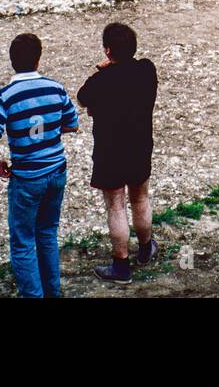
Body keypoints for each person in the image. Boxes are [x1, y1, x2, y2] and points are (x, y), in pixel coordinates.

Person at [0, 32, 79, 298]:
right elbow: (73, 123)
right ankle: (53, 292)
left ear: (12, 61)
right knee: (47, 234)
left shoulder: (5, 96)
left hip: (27, 177)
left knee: (23, 242)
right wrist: (50, 129)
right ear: (38, 59)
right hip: (57, 170)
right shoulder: (55, 88)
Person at [78, 22, 159, 284]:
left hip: (109, 151)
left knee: (116, 205)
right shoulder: (147, 70)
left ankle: (121, 266)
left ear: (108, 50)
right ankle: (146, 250)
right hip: (140, 146)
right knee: (140, 199)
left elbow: (82, 98)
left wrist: (103, 69)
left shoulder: (101, 80)